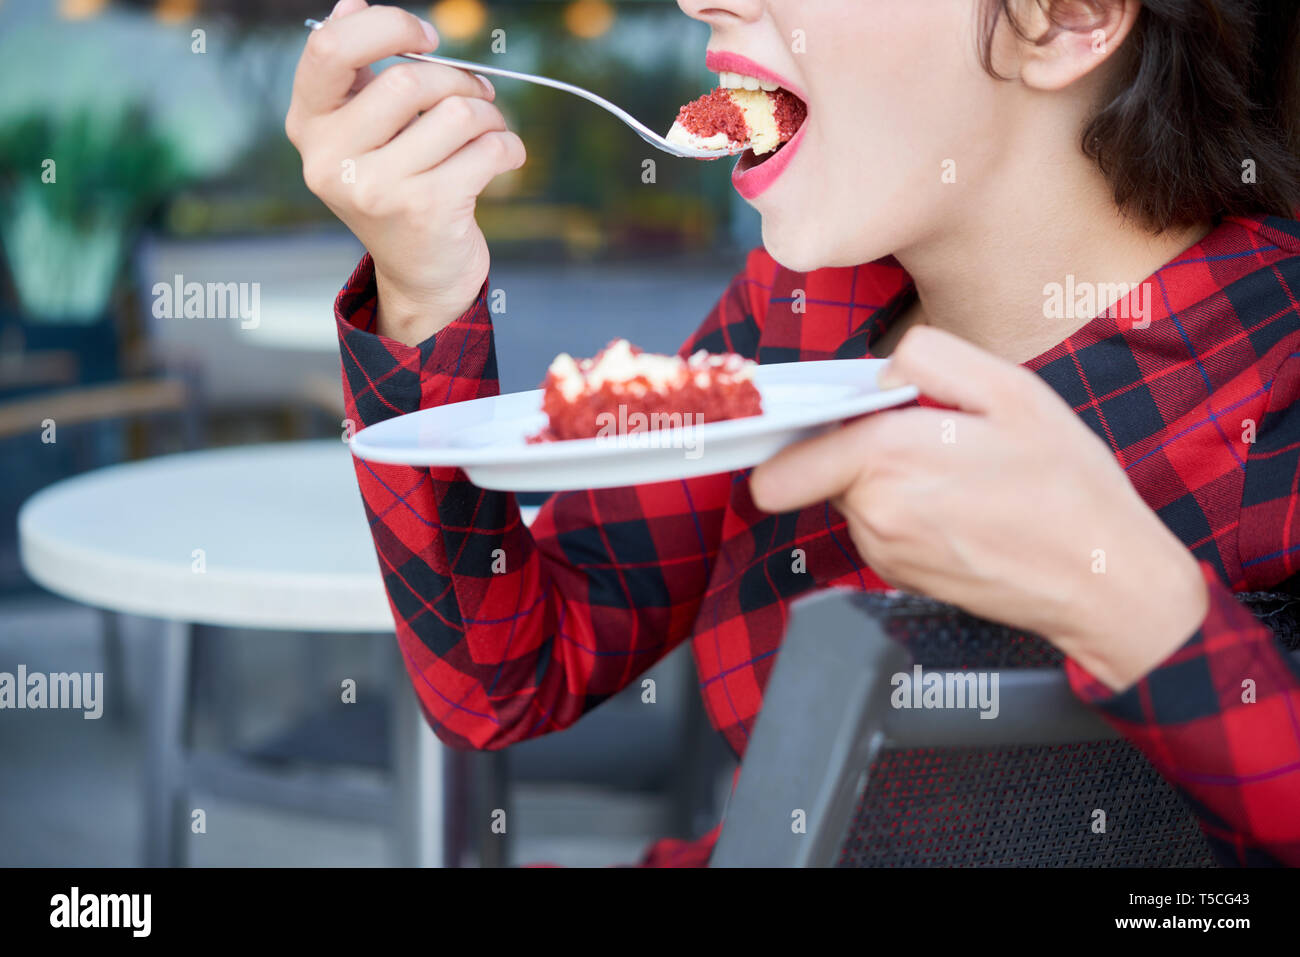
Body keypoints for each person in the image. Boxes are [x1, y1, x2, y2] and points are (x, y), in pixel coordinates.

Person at [285, 0, 1300, 866]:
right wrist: (423, 282)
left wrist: (1127, 602)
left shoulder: (1275, 373)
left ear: (1070, 18)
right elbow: (506, 678)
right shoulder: (804, 303)